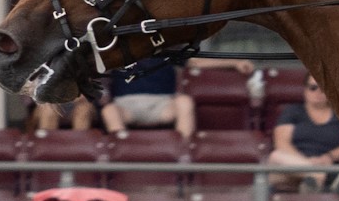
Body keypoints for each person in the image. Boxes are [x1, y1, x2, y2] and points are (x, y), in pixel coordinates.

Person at [99, 57, 255, 139]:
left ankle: (184, 149)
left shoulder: (164, 47)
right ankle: (120, 152)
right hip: (125, 107)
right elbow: (97, 66)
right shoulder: (117, 50)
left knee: (184, 102)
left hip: (163, 104)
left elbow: (195, 62)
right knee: (109, 110)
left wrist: (235, 62)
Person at [269, 75, 339, 191]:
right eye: (313, 87)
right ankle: (316, 176)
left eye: (323, 88)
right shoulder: (292, 112)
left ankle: (313, 180)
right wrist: (308, 164)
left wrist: (329, 157)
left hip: (328, 166)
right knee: (276, 156)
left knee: (311, 179)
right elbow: (282, 144)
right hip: (291, 166)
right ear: (305, 89)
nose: (318, 92)